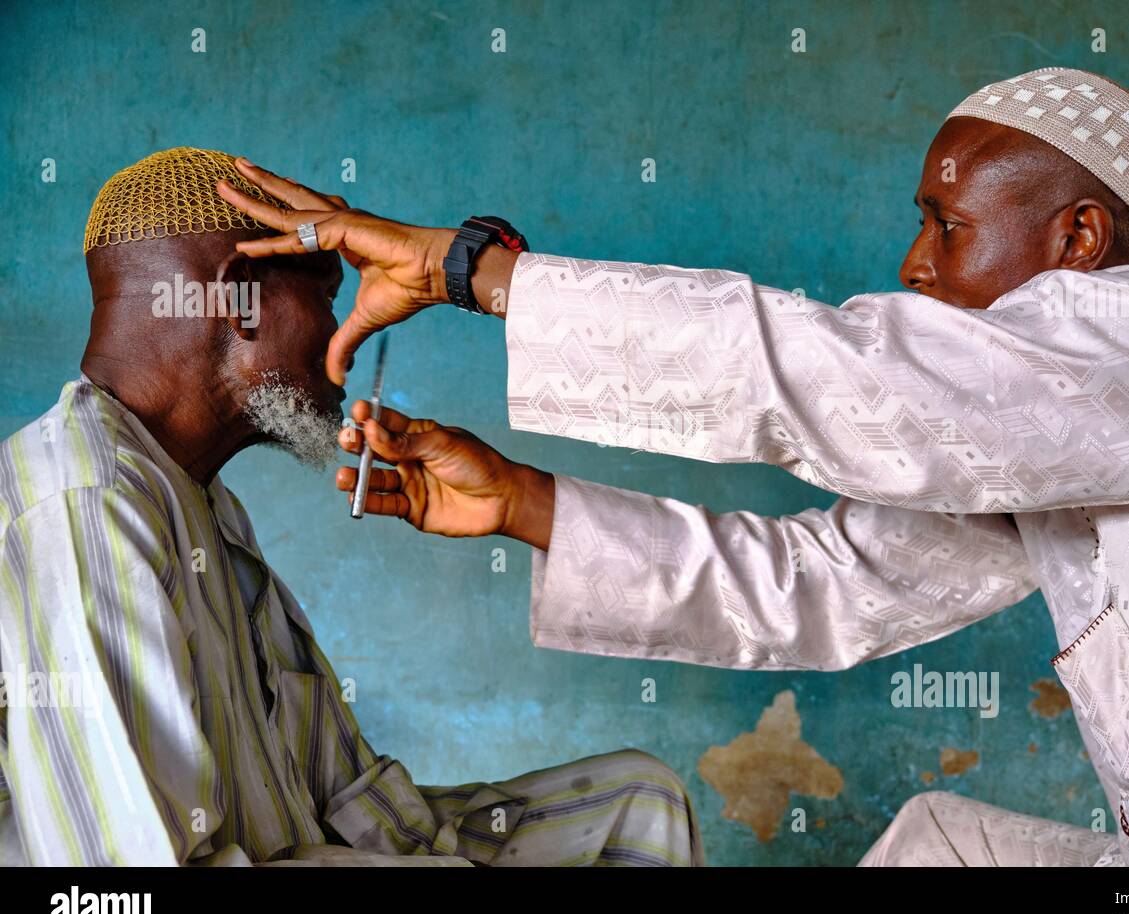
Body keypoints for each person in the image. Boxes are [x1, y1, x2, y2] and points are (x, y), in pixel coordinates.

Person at [218, 67, 1129, 867]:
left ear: (1077, 237)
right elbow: (821, 582)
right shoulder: (1036, 430)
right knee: (936, 847)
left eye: (946, 226)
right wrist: (523, 500)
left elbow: (861, 381)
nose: (914, 266)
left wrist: (482, 275)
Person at [0, 147, 702, 867]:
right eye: (331, 302)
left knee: (641, 805)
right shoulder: (86, 507)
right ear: (242, 296)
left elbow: (350, 802)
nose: (347, 347)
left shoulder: (208, 506)